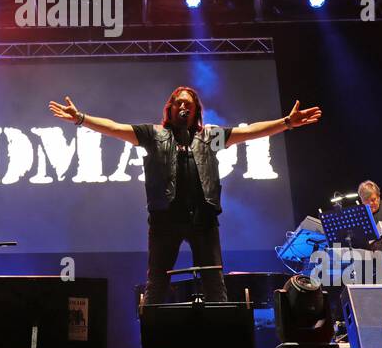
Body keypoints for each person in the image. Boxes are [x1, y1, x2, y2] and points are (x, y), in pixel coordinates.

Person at [48, 86, 321, 306]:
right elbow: (114, 127)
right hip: (165, 221)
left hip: (203, 220)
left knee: (215, 284)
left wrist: (287, 122)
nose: (183, 107)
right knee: (157, 284)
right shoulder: (154, 135)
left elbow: (249, 132)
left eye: (188, 105)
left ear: (195, 111)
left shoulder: (209, 136)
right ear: (170, 107)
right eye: (179, 103)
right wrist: (81, 118)